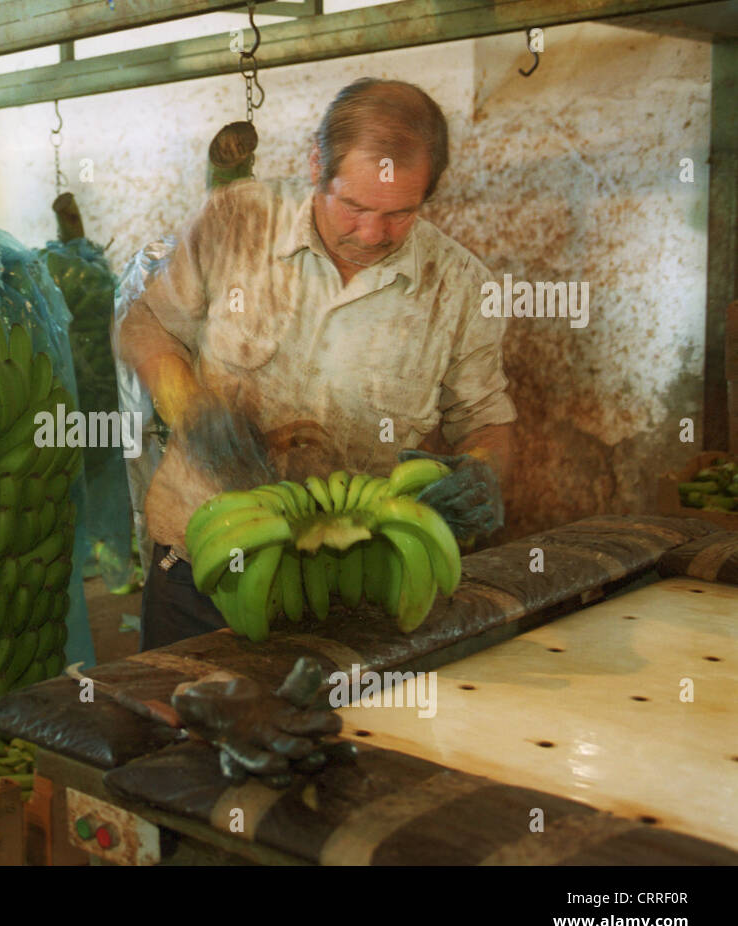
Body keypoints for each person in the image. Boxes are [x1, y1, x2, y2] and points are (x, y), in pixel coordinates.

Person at [118, 78, 516, 651]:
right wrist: (189, 406)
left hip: (355, 583)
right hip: (204, 562)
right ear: (315, 165)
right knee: (181, 731)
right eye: (352, 206)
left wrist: (484, 469)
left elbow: (485, 419)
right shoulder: (236, 223)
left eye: (401, 214)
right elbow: (148, 326)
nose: (372, 234)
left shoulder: (459, 287)